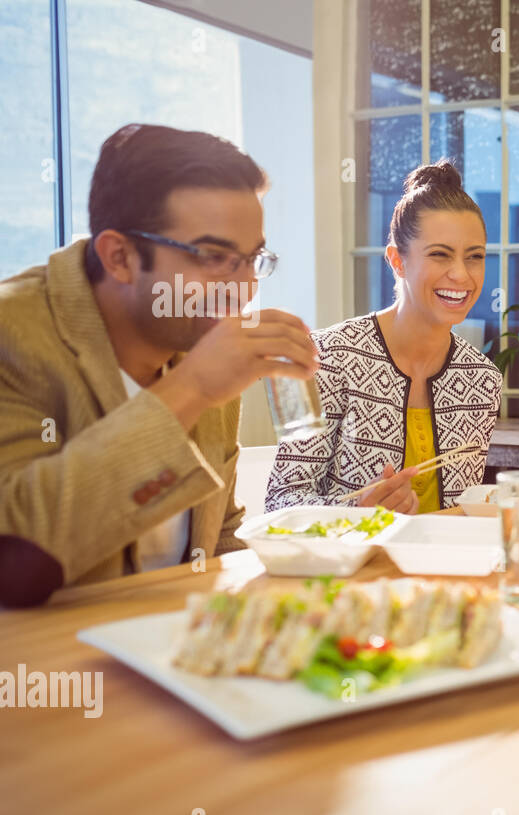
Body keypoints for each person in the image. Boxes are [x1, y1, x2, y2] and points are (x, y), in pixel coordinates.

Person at [0, 124, 318, 607]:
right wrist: (192, 388)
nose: (244, 288)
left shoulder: (196, 340)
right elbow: (15, 561)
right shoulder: (15, 334)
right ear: (120, 256)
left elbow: (218, 539)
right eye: (214, 256)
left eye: (252, 259)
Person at [265, 162, 501, 514]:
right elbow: (280, 502)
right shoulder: (326, 358)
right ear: (397, 261)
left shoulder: (482, 380)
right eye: (440, 254)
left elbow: (462, 511)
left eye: (475, 257)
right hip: (347, 568)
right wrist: (360, 511)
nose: (461, 275)